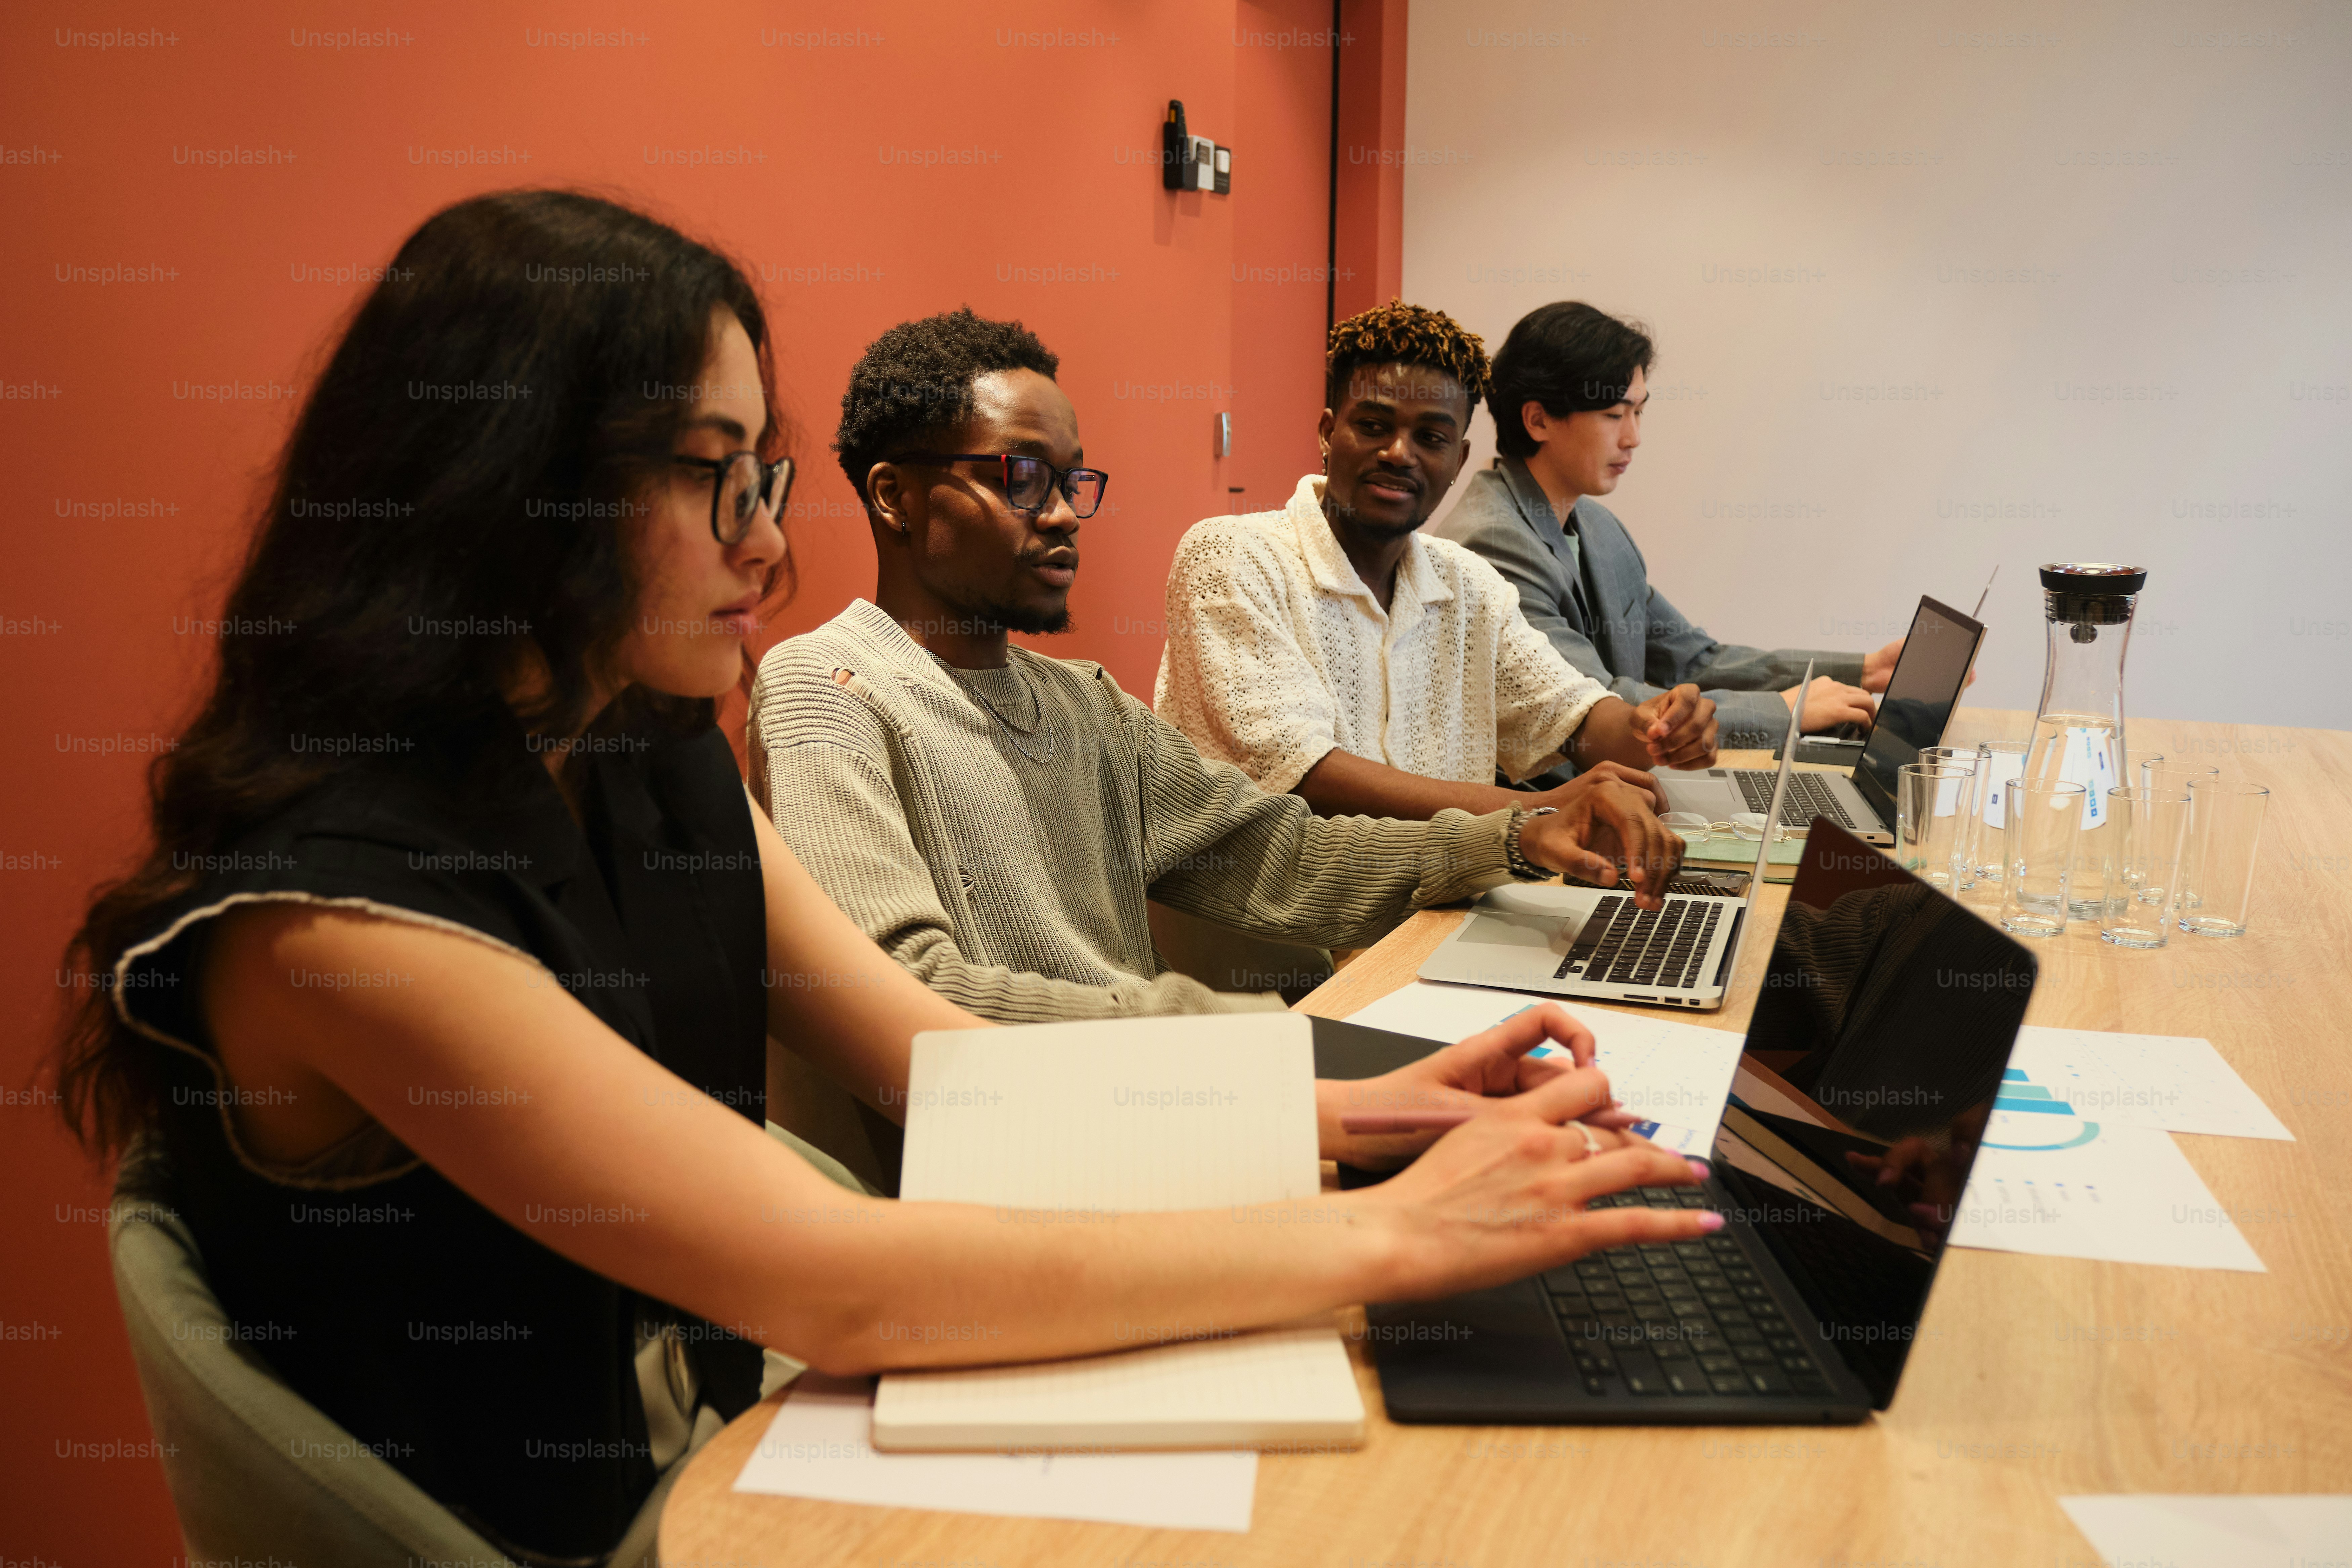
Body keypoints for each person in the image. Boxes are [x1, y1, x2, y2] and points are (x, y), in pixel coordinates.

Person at [50, 195, 1715, 1568]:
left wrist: (1361, 1107)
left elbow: (941, 1053)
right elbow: (824, 1272)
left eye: (762, 478)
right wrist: (1392, 1243)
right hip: (647, 1522)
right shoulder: (336, 920)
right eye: (719, 480)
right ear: (512, 489)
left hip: (748, 1435)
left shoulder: (646, 752)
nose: (769, 544)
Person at [748, 308, 1690, 1033]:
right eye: (1020, 477)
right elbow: (913, 996)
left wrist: (1518, 837)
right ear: (893, 497)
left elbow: (1290, 856)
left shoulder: (1086, 707)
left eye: (1072, 481)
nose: (1067, 514)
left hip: (1169, 1100)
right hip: (1007, 1172)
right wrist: (1257, 1035)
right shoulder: (828, 690)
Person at [1156, 300, 1720, 833]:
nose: (1400, 453)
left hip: (1434, 905)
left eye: (1430, 437)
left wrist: (1656, 729)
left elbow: (1570, 719)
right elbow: (1302, 776)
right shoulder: (1232, 556)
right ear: (1328, 433)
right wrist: (1538, 812)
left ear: (1458, 461)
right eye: (1374, 426)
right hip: (1285, 927)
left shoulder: (1468, 584)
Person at [1434, 301, 1903, 755]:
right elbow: (1598, 705)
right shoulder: (1492, 544)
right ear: (1538, 420)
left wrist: (1864, 670)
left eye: (1639, 412)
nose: (1633, 437)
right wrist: (1784, 713)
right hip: (1542, 809)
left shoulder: (1596, 525)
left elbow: (1695, 660)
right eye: (1615, 415)